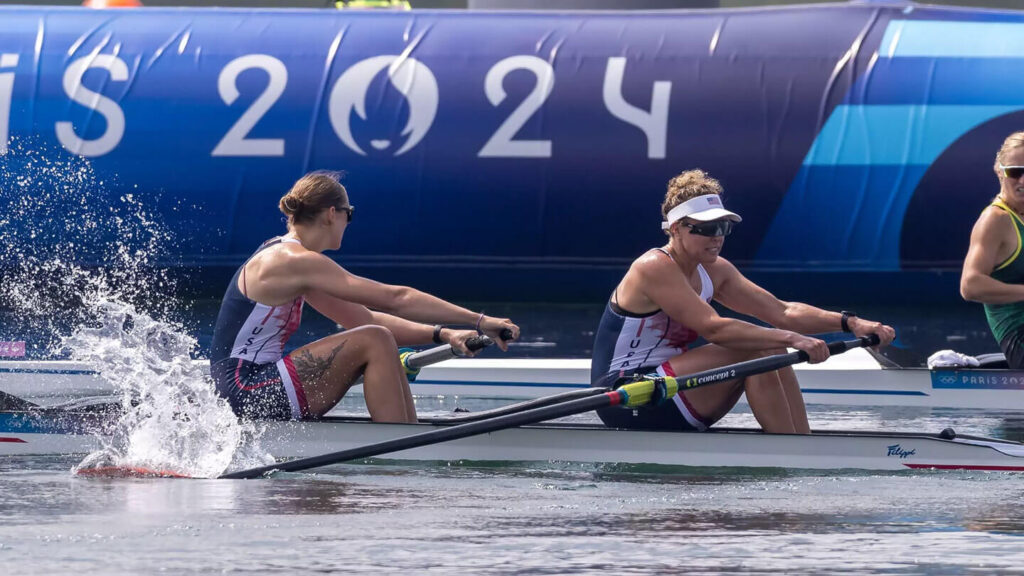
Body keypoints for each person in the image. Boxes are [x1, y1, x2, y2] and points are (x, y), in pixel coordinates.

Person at [591, 169, 895, 434]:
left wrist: (850, 323)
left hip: (674, 388)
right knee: (761, 347)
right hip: (628, 395)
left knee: (771, 346)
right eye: (706, 229)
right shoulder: (653, 267)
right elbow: (715, 329)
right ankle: (792, 454)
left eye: (723, 227)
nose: (717, 237)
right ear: (675, 229)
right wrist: (794, 339)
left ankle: (801, 444)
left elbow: (783, 312)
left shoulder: (715, 269)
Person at [210, 171, 519, 423]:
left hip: (250, 388)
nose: (349, 221)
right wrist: (479, 320)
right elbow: (396, 298)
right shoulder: (293, 261)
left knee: (375, 334)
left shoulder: (295, 262)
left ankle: (406, 435)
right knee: (374, 339)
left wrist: (443, 333)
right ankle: (403, 448)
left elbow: (363, 317)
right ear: (332, 214)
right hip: (247, 391)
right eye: (350, 213)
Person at [961, 131, 1024, 368]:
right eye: (1015, 172)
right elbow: (970, 285)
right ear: (999, 170)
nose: (1023, 181)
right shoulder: (995, 220)